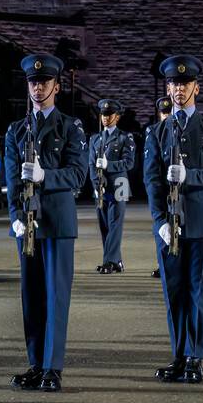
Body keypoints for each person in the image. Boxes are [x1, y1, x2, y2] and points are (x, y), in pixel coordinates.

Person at [4, 54, 88, 391]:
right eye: (33, 82)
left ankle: (53, 368)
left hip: (57, 221)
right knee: (32, 296)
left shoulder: (71, 127)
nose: (38, 88)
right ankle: (36, 363)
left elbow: (78, 173)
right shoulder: (17, 130)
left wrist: (45, 176)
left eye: (44, 82)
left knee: (55, 296)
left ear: (56, 86)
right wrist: (14, 218)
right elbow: (12, 180)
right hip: (28, 222)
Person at [143, 55, 203, 383]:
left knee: (199, 292)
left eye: (185, 84)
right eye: (174, 84)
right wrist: (158, 220)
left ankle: (195, 357)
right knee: (174, 292)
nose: (180, 89)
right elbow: (151, 180)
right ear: (169, 88)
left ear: (196, 87)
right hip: (170, 225)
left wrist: (189, 174)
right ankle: (179, 355)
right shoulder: (158, 131)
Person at [89, 97, 136, 273]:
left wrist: (109, 165)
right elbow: (91, 165)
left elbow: (129, 163)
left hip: (120, 183)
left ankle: (109, 261)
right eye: (103, 115)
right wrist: (95, 184)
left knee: (115, 224)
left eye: (110, 115)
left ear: (117, 117)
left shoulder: (125, 137)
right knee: (104, 225)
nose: (106, 118)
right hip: (101, 185)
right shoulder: (95, 139)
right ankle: (115, 262)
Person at [146, 95, 172, 280]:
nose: (166, 115)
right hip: (161, 185)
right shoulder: (154, 132)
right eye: (163, 113)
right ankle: (162, 262)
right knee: (161, 225)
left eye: (168, 112)